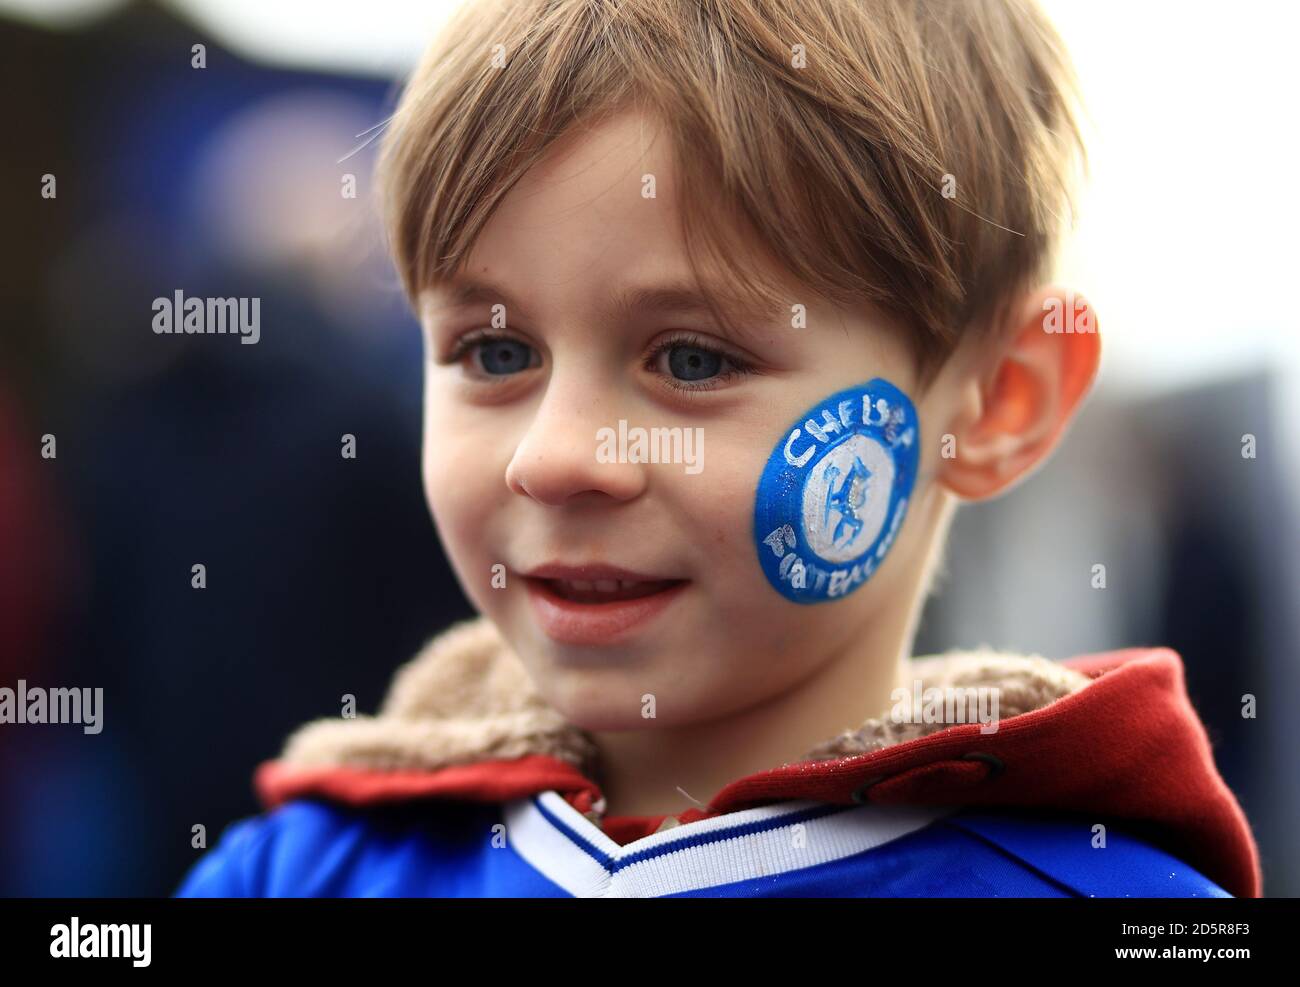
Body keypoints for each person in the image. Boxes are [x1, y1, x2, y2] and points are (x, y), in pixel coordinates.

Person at [175, 0, 1259, 897]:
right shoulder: (291, 872)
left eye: (692, 361)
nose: (554, 460)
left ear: (996, 401)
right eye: (495, 351)